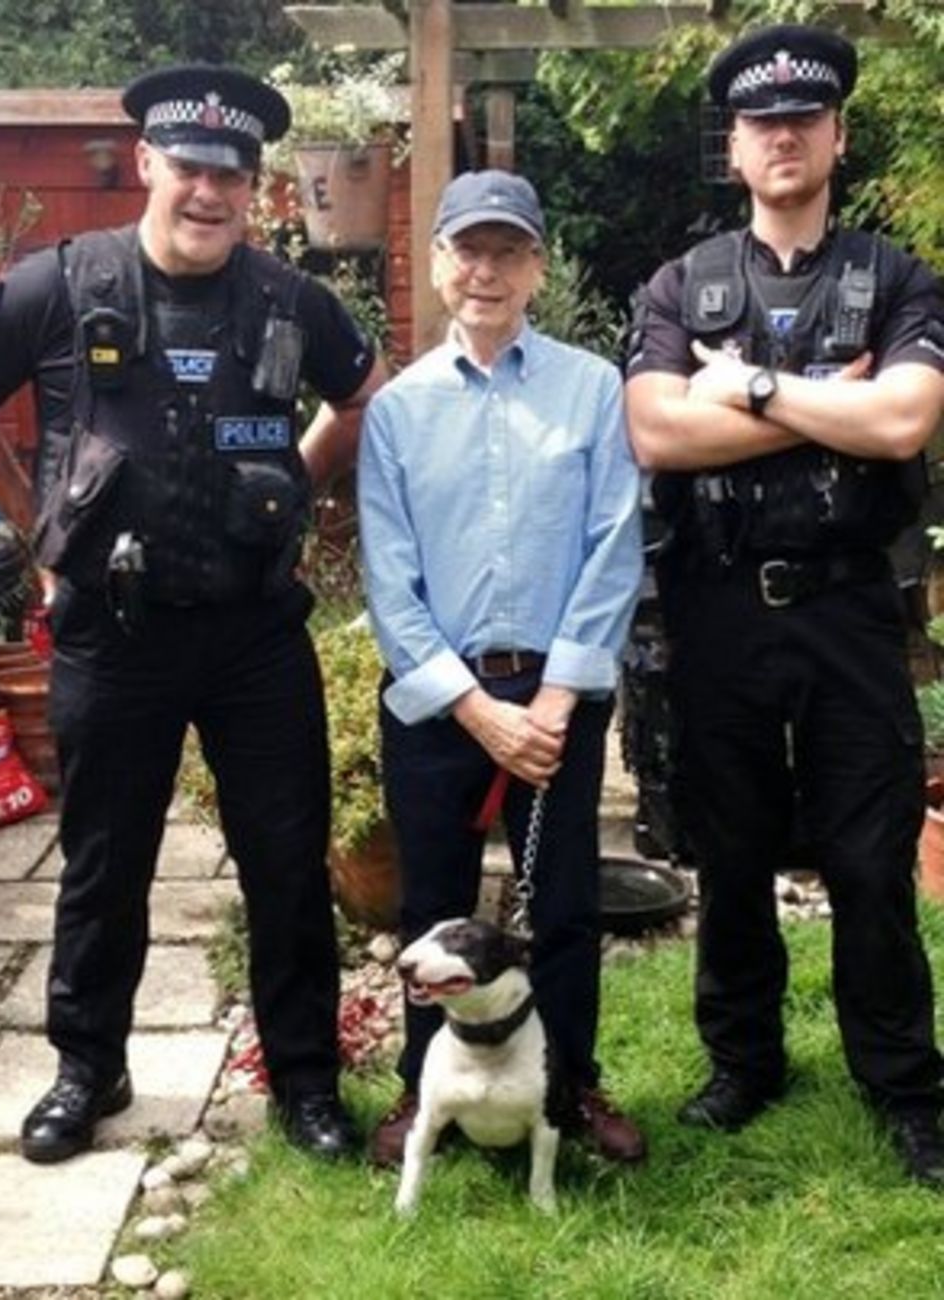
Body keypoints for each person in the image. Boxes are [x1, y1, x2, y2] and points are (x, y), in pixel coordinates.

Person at [0, 63, 387, 1163]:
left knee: (287, 862)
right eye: (191, 167)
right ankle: (87, 1069)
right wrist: (33, 527)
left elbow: (362, 391)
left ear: (256, 190)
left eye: (232, 175)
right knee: (105, 863)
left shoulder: (291, 301)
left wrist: (298, 468)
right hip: (115, 634)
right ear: (148, 162)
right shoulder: (59, 284)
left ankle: (305, 1082)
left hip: (255, 634)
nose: (209, 192)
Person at [626, 24, 944, 1187]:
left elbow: (904, 421)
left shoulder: (898, 278)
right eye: (762, 123)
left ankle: (903, 1084)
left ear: (836, 136)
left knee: (868, 859)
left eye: (803, 119)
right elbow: (657, 430)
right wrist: (824, 401)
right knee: (733, 846)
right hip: (716, 609)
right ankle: (743, 1062)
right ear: (736, 145)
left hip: (852, 609)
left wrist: (748, 384)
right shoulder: (681, 283)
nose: (783, 136)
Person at [358, 169, 646, 1167]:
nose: (486, 271)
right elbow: (389, 583)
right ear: (437, 263)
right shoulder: (397, 410)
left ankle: (567, 1083)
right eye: (467, 250)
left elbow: (615, 544)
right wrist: (481, 712)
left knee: (561, 900)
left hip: (558, 694)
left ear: (537, 266)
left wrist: (557, 697)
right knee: (426, 903)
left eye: (507, 251)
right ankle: (420, 1090)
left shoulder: (591, 388)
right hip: (440, 700)